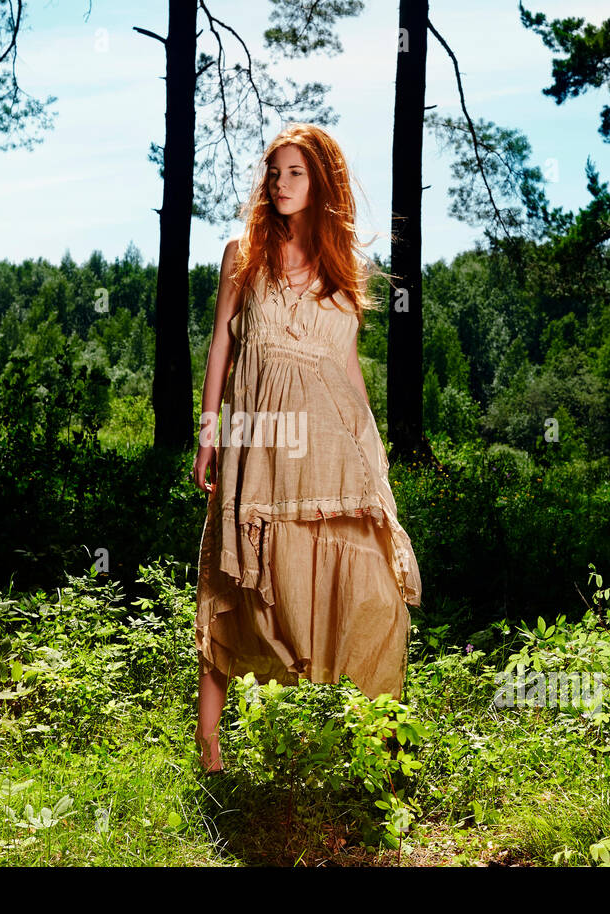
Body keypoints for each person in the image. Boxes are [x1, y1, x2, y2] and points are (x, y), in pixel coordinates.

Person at [191, 123, 423, 773]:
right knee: (233, 582)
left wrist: (370, 448)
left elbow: (347, 369)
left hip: (329, 450)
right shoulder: (242, 255)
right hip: (257, 445)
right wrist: (209, 433)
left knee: (376, 592)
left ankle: (382, 748)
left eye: (296, 172)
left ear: (321, 182)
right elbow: (221, 348)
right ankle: (209, 755)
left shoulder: (340, 269)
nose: (282, 183)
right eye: (275, 171)